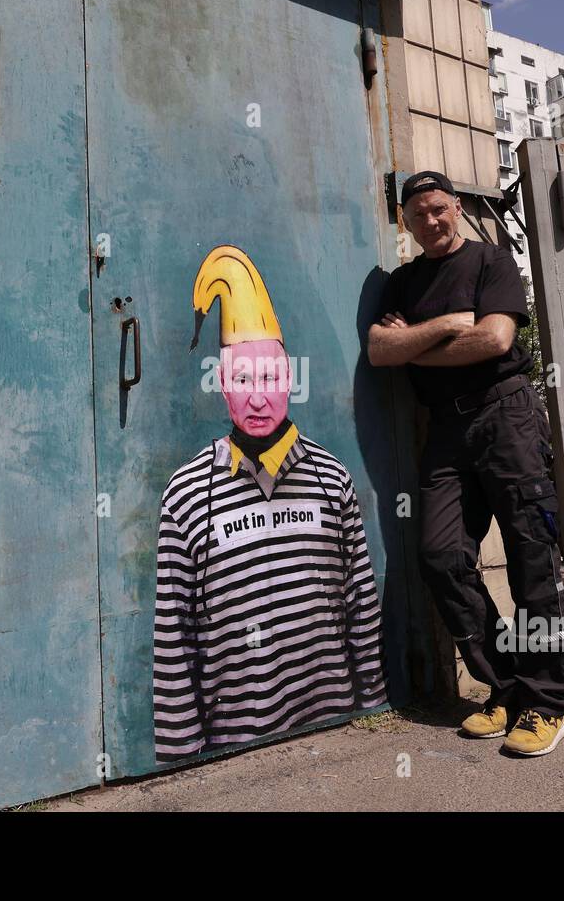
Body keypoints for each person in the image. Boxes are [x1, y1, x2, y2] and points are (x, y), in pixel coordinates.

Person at [152, 245, 387, 763]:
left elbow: (361, 608)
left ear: (289, 380)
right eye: (242, 380)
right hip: (235, 751)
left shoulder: (331, 478)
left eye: (270, 378)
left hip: (337, 731)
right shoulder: (187, 493)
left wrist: (374, 709)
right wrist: (184, 760)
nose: (257, 397)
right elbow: (174, 638)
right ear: (221, 386)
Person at [367, 171, 564, 757]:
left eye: (439, 209)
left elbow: (496, 341)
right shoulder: (400, 283)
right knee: (440, 556)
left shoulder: (491, 263)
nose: (431, 221)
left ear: (455, 208)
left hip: (506, 417)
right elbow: (382, 351)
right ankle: (506, 685)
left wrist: (419, 347)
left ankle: (546, 702)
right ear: (405, 221)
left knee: (533, 560)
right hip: (446, 430)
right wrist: (452, 324)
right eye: (418, 214)